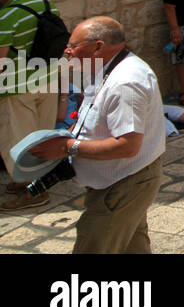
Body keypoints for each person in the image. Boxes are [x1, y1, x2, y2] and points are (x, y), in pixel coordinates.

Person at [29, 17, 166, 253]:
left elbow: (127, 146)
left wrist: (68, 147)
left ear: (98, 47)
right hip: (122, 181)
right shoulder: (106, 69)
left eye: (73, 45)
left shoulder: (125, 82)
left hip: (122, 185)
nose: (67, 50)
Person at [0, 0, 61, 211]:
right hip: (48, 79)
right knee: (41, 135)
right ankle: (30, 181)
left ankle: (34, 191)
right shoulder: (48, 6)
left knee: (17, 141)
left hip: (17, 87)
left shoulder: (8, 16)